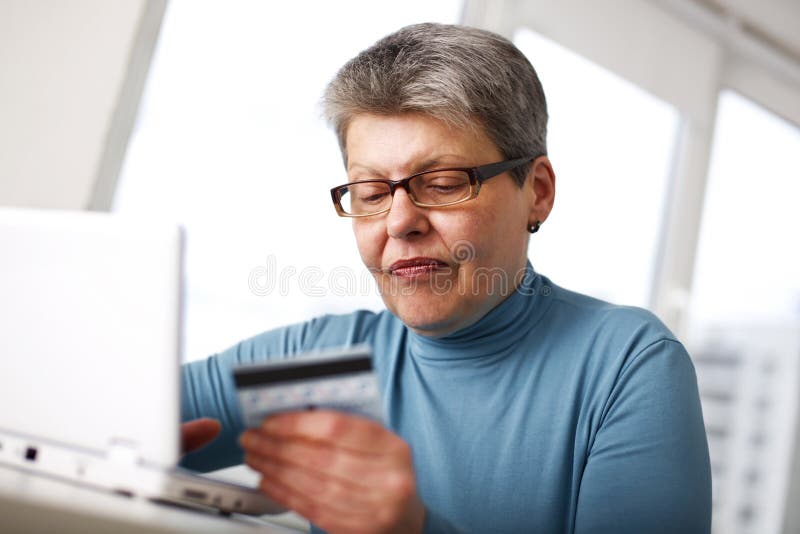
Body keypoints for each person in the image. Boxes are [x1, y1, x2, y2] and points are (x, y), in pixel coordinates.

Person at [180, 22, 711, 534]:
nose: (399, 221)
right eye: (370, 193)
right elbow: (127, 406)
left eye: (443, 183)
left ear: (538, 191)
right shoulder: (323, 366)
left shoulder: (625, 367)